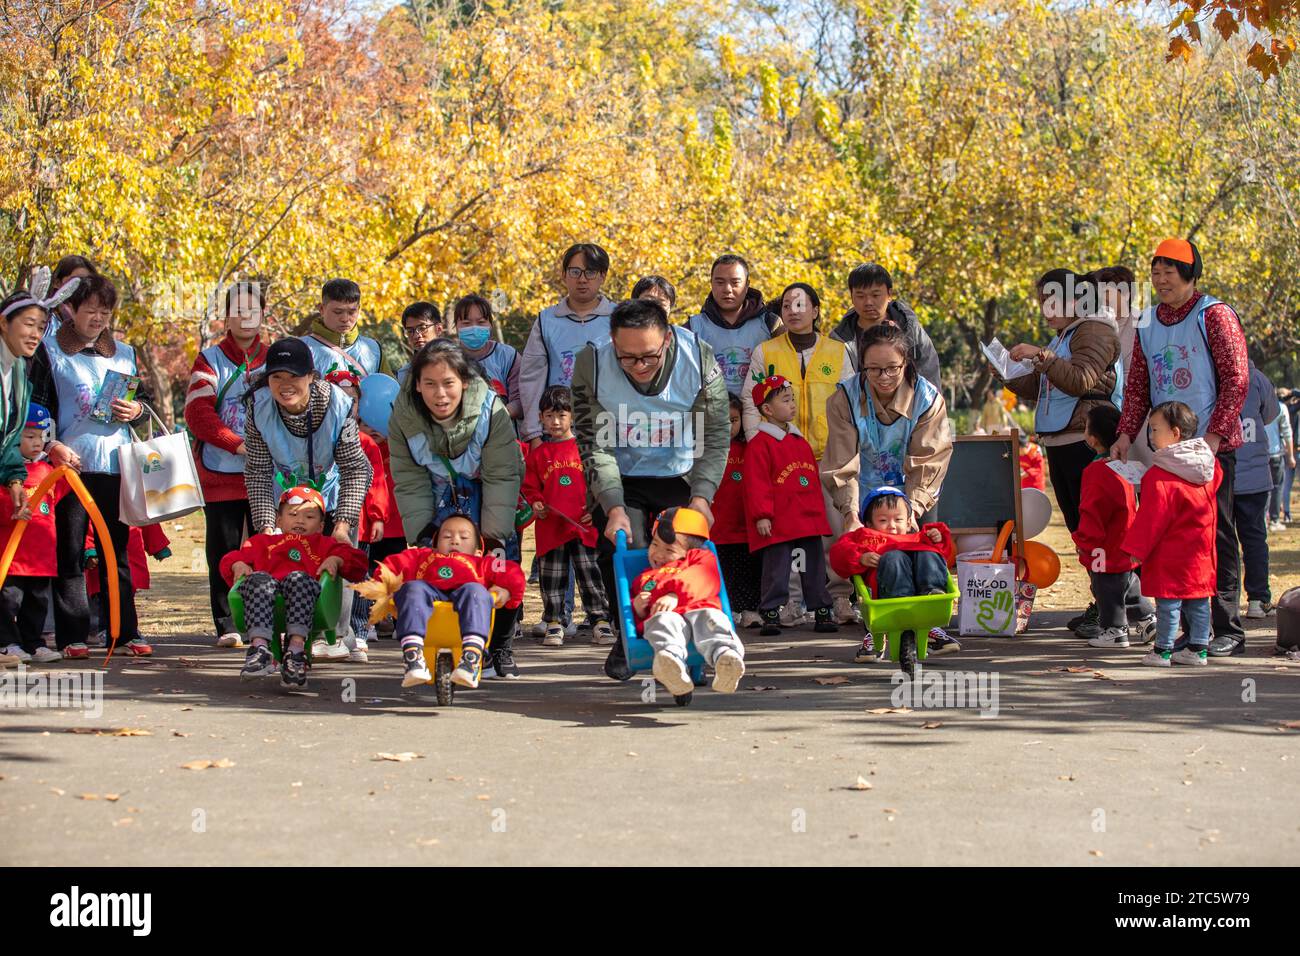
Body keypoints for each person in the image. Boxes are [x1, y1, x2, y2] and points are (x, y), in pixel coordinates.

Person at [570, 297, 730, 681]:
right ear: (613, 343)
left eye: (649, 357)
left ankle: (691, 640)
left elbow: (715, 432)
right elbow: (594, 443)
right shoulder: (592, 364)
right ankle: (631, 635)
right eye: (628, 358)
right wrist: (612, 505)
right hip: (623, 476)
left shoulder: (698, 359)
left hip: (681, 475)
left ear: (668, 339)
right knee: (626, 548)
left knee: (681, 553)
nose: (639, 367)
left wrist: (702, 496)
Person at [1112, 238, 1249, 657]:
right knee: (1175, 537)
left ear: (1191, 274)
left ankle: (1227, 628)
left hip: (1211, 448)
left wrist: (1213, 437)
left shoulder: (1216, 315)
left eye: (1169, 272)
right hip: (1166, 449)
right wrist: (1124, 433)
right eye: (1155, 273)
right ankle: (1191, 631)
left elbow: (1236, 379)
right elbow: (1137, 385)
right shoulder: (1146, 321)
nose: (1161, 280)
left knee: (1216, 535)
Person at [29, 274, 154, 660]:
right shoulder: (49, 352)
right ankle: (72, 637)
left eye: (105, 311)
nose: (98, 318)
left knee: (116, 551)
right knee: (69, 552)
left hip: (116, 465)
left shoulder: (125, 353)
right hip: (70, 469)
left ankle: (125, 630)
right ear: (71, 310)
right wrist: (52, 446)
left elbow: (144, 406)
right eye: (90, 310)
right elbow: (39, 406)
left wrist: (134, 410)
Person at [386, 340, 524, 677]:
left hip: (487, 491)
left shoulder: (491, 410)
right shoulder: (402, 417)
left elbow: (501, 475)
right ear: (417, 385)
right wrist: (422, 535)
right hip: (436, 496)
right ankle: (436, 643)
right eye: (430, 384)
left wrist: (493, 537)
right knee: (434, 569)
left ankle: (499, 648)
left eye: (448, 383)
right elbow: (409, 478)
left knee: (501, 568)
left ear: (463, 380)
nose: (440, 394)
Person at [741, 282, 857, 625]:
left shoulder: (837, 352)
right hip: (783, 459)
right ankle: (790, 603)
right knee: (786, 532)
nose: (793, 311)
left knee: (835, 530)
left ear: (816, 310)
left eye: (801, 304)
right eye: (787, 305)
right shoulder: (767, 352)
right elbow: (751, 399)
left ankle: (839, 598)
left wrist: (848, 450)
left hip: (828, 456)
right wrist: (759, 442)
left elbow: (850, 404)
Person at [1002, 269, 1122, 534]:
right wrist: (1005, 374)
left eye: (1053, 302)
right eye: (1043, 302)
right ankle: (1102, 576)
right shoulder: (1064, 335)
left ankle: (1117, 578)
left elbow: (1080, 379)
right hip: (1060, 438)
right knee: (1078, 528)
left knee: (1096, 528)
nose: (1047, 311)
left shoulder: (1094, 330)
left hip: (1085, 440)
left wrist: (1041, 355)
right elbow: (1042, 385)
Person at [184, 281, 268, 648]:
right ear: (226, 317)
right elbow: (197, 413)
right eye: (239, 310)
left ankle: (265, 621)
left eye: (254, 309)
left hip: (268, 475)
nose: (246, 317)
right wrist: (235, 445)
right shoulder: (209, 360)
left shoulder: (277, 357)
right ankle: (228, 624)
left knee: (267, 550)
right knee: (223, 550)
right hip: (222, 472)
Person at [221, 486, 369, 688]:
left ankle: (296, 651)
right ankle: (260, 650)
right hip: (266, 597)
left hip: (308, 599)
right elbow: (231, 558)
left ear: (320, 525)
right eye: (293, 514)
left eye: (309, 516)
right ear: (279, 520)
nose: (300, 520)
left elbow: (359, 563)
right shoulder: (262, 542)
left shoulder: (324, 544)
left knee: (298, 579)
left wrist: (336, 559)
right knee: (258, 579)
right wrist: (237, 564)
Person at [356, 514, 525, 688]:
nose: (455, 541)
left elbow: (513, 573)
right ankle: (413, 656)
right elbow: (393, 564)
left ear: (478, 551)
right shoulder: (423, 556)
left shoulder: (483, 563)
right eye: (447, 536)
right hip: (428, 599)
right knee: (412, 588)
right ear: (435, 545)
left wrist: (505, 590)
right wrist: (386, 585)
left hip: (467, 600)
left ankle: (471, 658)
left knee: (476, 591)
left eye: (464, 537)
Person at [821, 323, 952, 536]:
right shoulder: (844, 399)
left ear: (906, 363)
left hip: (916, 498)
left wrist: (911, 512)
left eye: (892, 368)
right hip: (863, 499)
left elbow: (928, 459)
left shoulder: (928, 400)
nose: (883, 377)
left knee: (921, 559)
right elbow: (841, 462)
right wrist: (851, 514)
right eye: (873, 369)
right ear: (862, 364)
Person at [242, 337, 372, 546]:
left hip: (331, 497)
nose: (285, 385)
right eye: (277, 377)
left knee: (335, 565)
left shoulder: (338, 405)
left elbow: (354, 468)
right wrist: (266, 527)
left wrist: (342, 525)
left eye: (294, 376)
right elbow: (258, 471)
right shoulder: (258, 407)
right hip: (284, 502)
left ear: (311, 376)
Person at [1122, 402, 1222, 666]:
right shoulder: (1208, 467)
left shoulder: (1160, 475)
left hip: (1170, 553)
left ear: (1175, 433)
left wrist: (1136, 550)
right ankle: (1198, 649)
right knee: (1199, 601)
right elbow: (1217, 481)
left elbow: (1151, 519)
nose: (1151, 437)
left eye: (1155, 430)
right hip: (1201, 550)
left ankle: (1162, 650)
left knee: (1168, 603)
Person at [744, 374, 836, 636]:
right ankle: (771, 611)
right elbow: (756, 484)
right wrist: (763, 515)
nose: (793, 404)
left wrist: (819, 515)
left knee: (813, 567)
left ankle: (821, 610)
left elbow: (811, 481)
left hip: (806, 519)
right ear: (767, 409)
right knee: (778, 568)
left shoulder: (800, 442)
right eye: (786, 400)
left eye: (793, 399)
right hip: (779, 521)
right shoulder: (760, 445)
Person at [522, 385, 613, 646]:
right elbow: (530, 487)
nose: (555, 421)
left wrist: (594, 510)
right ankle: (554, 622)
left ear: (573, 416)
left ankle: (600, 621)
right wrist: (537, 503)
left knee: (591, 575)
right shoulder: (538, 454)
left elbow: (600, 482)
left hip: (584, 527)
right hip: (551, 528)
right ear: (540, 418)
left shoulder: (586, 448)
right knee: (553, 576)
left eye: (562, 415)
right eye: (549, 415)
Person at [828, 486, 958, 662]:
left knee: (928, 552)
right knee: (894, 556)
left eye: (898, 519)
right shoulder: (865, 536)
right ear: (869, 523)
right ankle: (878, 633)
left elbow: (945, 555)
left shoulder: (917, 538)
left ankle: (932, 597)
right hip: (885, 597)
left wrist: (938, 538)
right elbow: (839, 553)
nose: (892, 526)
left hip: (923, 597)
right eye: (883, 520)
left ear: (908, 521)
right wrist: (860, 557)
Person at [631, 506, 746, 695]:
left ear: (689, 551)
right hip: (669, 618)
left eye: (669, 549)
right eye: (654, 544)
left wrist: (675, 594)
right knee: (662, 622)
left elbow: (703, 577)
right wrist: (639, 607)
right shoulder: (646, 576)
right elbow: (641, 609)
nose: (658, 554)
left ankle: (726, 658)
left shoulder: (699, 558)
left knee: (711, 619)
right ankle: (670, 663)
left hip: (699, 609)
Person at [1072, 405, 1156, 648]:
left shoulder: (1095, 471)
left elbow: (1091, 510)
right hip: (1126, 539)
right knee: (1128, 583)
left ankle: (1115, 629)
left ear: (1092, 437)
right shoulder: (1123, 466)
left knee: (1106, 587)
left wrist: (1084, 540)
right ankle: (1146, 620)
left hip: (1104, 543)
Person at [519, 243, 617, 447]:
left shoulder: (619, 319)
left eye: (590, 272)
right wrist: (534, 435)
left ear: (603, 276)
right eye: (575, 271)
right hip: (557, 435)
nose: (582, 279)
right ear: (564, 275)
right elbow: (531, 378)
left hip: (609, 431)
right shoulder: (546, 320)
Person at [0, 403, 68, 664]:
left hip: (42, 557)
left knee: (37, 604)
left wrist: (70, 468)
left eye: (41, 436)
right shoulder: (8, 476)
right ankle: (8, 642)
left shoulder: (47, 471)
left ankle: (34, 642)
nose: (37, 442)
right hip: (13, 557)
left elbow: (60, 495)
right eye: (29, 436)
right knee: (8, 602)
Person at [829, 263, 940, 387]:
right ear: (851, 296)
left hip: (908, 404)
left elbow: (930, 372)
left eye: (875, 295)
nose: (868, 302)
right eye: (860, 296)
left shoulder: (910, 330)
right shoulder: (838, 339)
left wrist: (929, 404)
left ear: (889, 294)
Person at [685, 253, 779, 397]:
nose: (727, 289)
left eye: (735, 283)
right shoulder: (693, 327)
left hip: (760, 413)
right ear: (711, 283)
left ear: (747, 285)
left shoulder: (770, 324)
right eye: (720, 282)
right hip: (711, 415)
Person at [1234, 362, 1280, 619]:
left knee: (1224, 542)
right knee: (1254, 540)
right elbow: (1271, 414)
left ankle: (1226, 599)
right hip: (1255, 476)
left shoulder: (1213, 374)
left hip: (1225, 476)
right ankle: (1258, 599)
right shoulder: (1258, 379)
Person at [711, 394, 762, 628]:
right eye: (722, 420)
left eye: (734, 420)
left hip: (745, 526)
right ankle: (724, 612)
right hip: (716, 527)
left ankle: (750, 610)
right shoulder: (705, 450)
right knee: (720, 574)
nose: (729, 426)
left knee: (749, 572)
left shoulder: (748, 448)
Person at [301, 278, 390, 379]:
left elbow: (390, 390)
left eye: (352, 312)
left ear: (359, 309)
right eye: (338, 312)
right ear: (321, 309)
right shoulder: (301, 349)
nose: (345, 319)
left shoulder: (374, 349)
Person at [454, 294, 521, 422]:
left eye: (481, 322)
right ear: (456, 326)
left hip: (503, 434)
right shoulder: (446, 359)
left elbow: (521, 399)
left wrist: (496, 418)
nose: (474, 328)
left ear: (490, 325)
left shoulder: (507, 356)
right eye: (466, 323)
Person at [395, 302, 443, 384]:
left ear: (438, 329)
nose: (416, 335)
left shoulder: (457, 363)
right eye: (410, 331)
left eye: (422, 328)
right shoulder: (403, 375)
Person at [1268, 394, 1295, 531]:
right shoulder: (1281, 407)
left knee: (1263, 488)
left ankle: (1263, 519)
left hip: (1259, 454)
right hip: (1276, 453)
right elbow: (1287, 433)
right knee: (1277, 487)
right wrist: (1290, 456)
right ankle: (1274, 519)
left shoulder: (1254, 404)